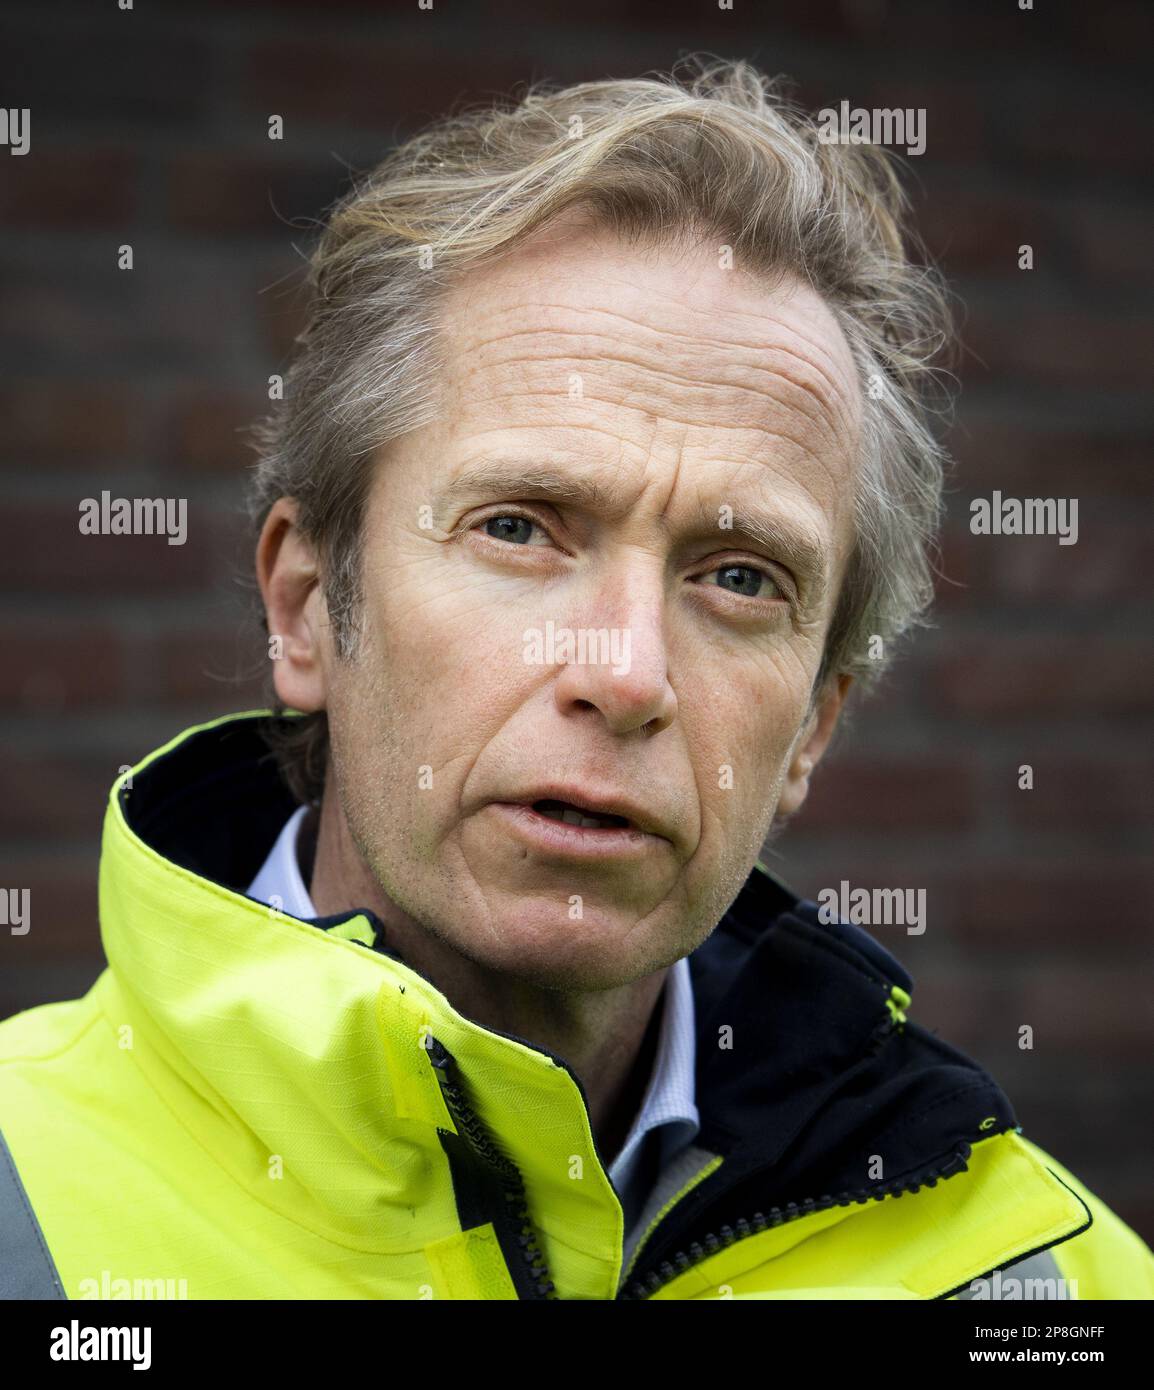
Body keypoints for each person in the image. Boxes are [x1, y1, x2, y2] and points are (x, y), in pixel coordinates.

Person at [2, 58, 1151, 1301]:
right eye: (519, 527)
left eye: (739, 576)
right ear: (308, 606)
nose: (626, 673)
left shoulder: (1042, 1280)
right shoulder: (26, 1191)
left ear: (813, 724)